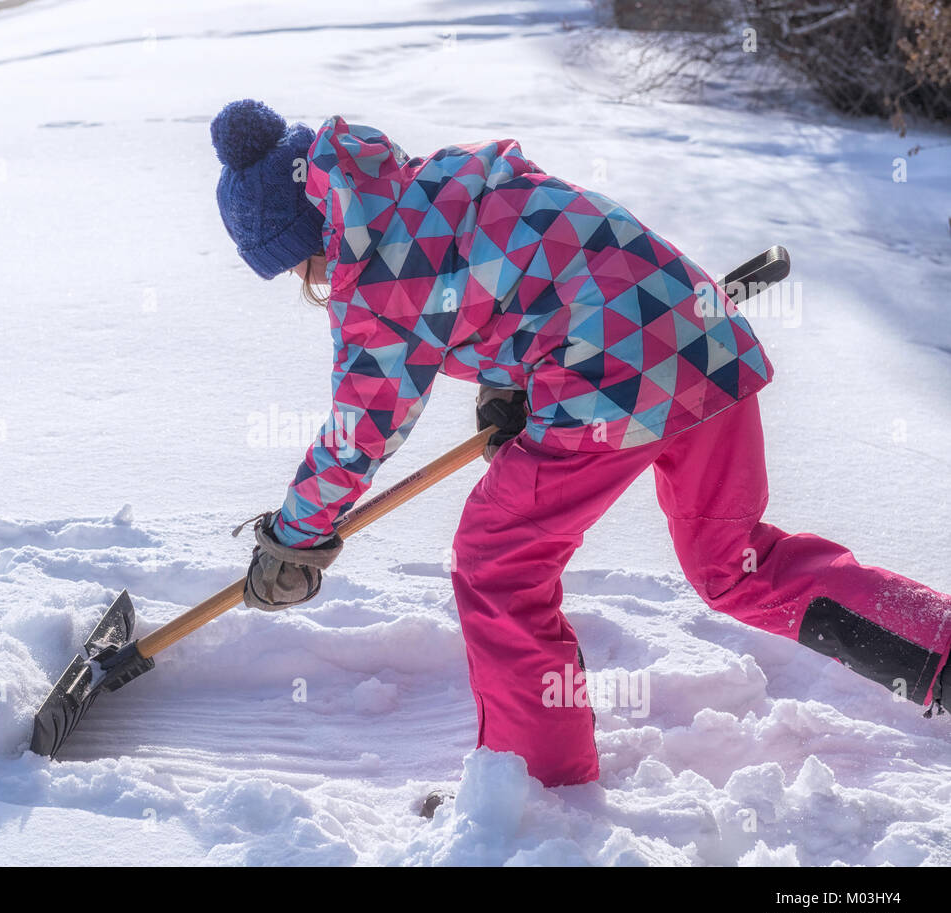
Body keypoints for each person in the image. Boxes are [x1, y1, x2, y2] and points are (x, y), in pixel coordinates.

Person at [210, 98, 951, 786]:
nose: (312, 283)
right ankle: (941, 649)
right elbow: (544, 258)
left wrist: (295, 539)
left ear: (311, 234)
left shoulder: (375, 281)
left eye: (300, 266)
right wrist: (512, 382)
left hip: (612, 381)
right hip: (704, 337)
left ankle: (536, 784)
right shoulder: (449, 175)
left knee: (497, 562)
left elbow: (360, 431)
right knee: (735, 563)